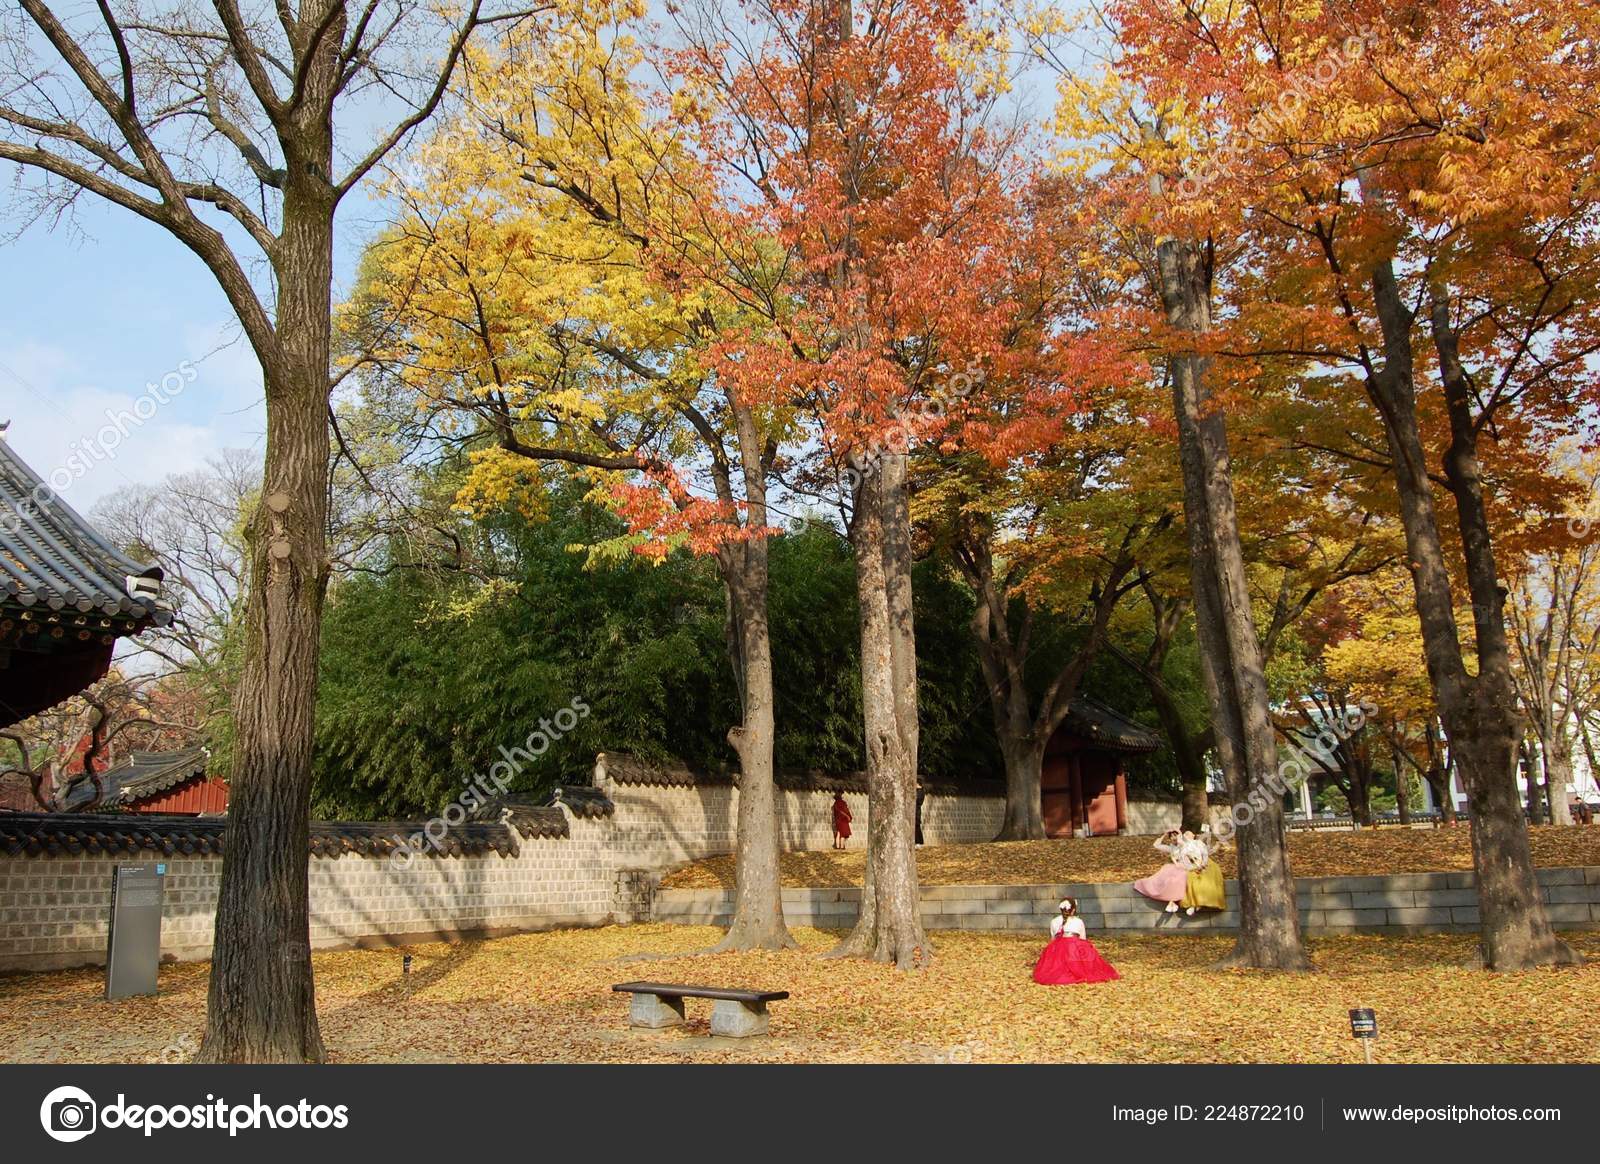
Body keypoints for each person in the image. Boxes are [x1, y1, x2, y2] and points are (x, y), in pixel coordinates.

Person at [1033, 898, 1119, 984]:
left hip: (1058, 950)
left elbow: (1053, 939)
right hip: (1074, 950)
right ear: (1073, 910)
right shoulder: (1078, 921)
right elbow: (1083, 939)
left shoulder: (1053, 921)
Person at [1133, 828, 1190, 913]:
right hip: (1176, 868)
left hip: (1186, 867)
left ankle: (1172, 901)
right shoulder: (1171, 848)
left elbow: (1188, 849)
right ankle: (1171, 902)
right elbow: (1156, 845)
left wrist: (1180, 837)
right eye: (1171, 836)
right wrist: (1163, 835)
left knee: (1175, 879)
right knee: (1166, 877)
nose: (1174, 838)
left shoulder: (1184, 845)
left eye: (1175, 835)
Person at [1179, 825, 1226, 915]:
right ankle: (1193, 904)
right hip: (1192, 866)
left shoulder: (1198, 843)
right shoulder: (1184, 847)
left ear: (1193, 836)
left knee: (1206, 880)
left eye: (1189, 834)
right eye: (1185, 834)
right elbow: (1184, 859)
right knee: (1190, 880)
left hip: (1204, 864)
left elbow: (1204, 854)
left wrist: (1202, 864)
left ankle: (1200, 903)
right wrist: (1192, 867)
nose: (1187, 835)